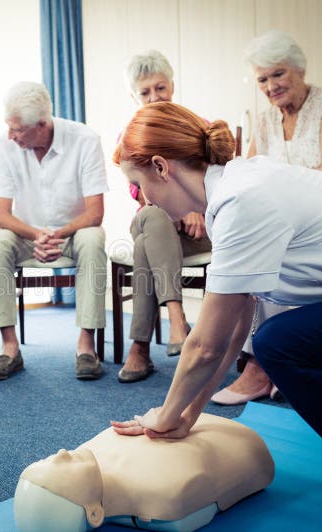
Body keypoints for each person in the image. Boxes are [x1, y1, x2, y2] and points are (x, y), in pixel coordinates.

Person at [112, 101, 322, 532]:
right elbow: (235, 326)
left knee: (281, 342)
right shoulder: (237, 190)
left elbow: (205, 344)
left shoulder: (243, 199)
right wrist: (187, 415)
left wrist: (164, 415)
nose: (141, 199)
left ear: (161, 167)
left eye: (135, 185)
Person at [212, 30, 322, 405]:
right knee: (257, 244)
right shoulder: (263, 122)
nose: (271, 85)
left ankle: (261, 366)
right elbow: (247, 178)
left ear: (298, 69)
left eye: (278, 74)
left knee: (275, 250)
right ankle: (278, 361)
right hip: (288, 222)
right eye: (262, 79)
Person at [0, 81, 108, 381]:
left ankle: (86, 346)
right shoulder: (4, 145)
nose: (11, 135)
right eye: (8, 127)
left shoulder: (85, 140)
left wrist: (58, 233)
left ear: (42, 124)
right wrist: (37, 235)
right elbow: (1, 216)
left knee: (94, 239)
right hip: (26, 236)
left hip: (74, 233)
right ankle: (10, 348)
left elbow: (95, 213)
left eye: (17, 130)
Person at [118, 50, 212, 384]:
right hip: (157, 220)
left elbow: (217, 181)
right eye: (145, 92)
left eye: (160, 87)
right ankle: (176, 317)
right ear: (134, 96)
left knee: (145, 246)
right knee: (154, 217)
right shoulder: (130, 138)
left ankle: (139, 348)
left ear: (172, 85)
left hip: (199, 229)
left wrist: (198, 210)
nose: (154, 97)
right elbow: (143, 194)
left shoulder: (197, 127)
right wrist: (179, 208)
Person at [14, 413, 274, 532]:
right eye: (61, 467)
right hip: (240, 443)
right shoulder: (166, 495)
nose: (61, 453)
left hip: (193, 420)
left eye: (47, 459)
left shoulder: (86, 453)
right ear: (94, 513)